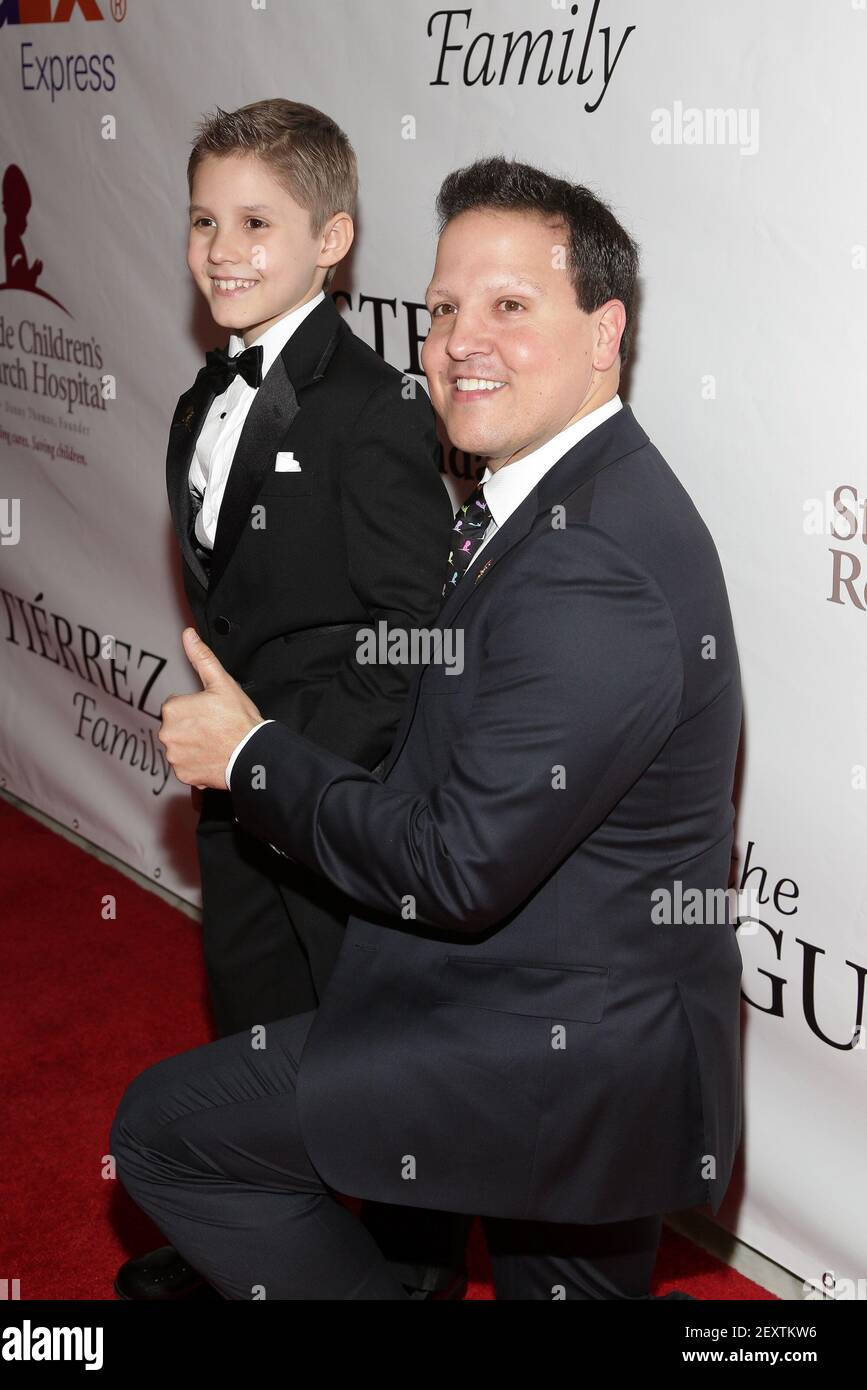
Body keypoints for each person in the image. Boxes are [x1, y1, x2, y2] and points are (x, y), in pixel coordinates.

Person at [112, 156, 744, 1300]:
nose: (459, 340)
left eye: (510, 305)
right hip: (557, 1018)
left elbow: (455, 864)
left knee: (167, 1131)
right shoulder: (550, 496)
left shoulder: (591, 563)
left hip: (553, 1053)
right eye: (445, 308)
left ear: (605, 334)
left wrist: (253, 758)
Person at [114, 98, 460, 1302]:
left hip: (341, 804)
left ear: (332, 238)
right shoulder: (202, 396)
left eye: (257, 220)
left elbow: (415, 637)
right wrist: (240, 771)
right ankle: (256, 1243)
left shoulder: (377, 411)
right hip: (240, 805)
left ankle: (409, 1283)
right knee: (255, 1034)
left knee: (379, 1061)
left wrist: (276, 761)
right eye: (205, 218)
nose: (221, 247)